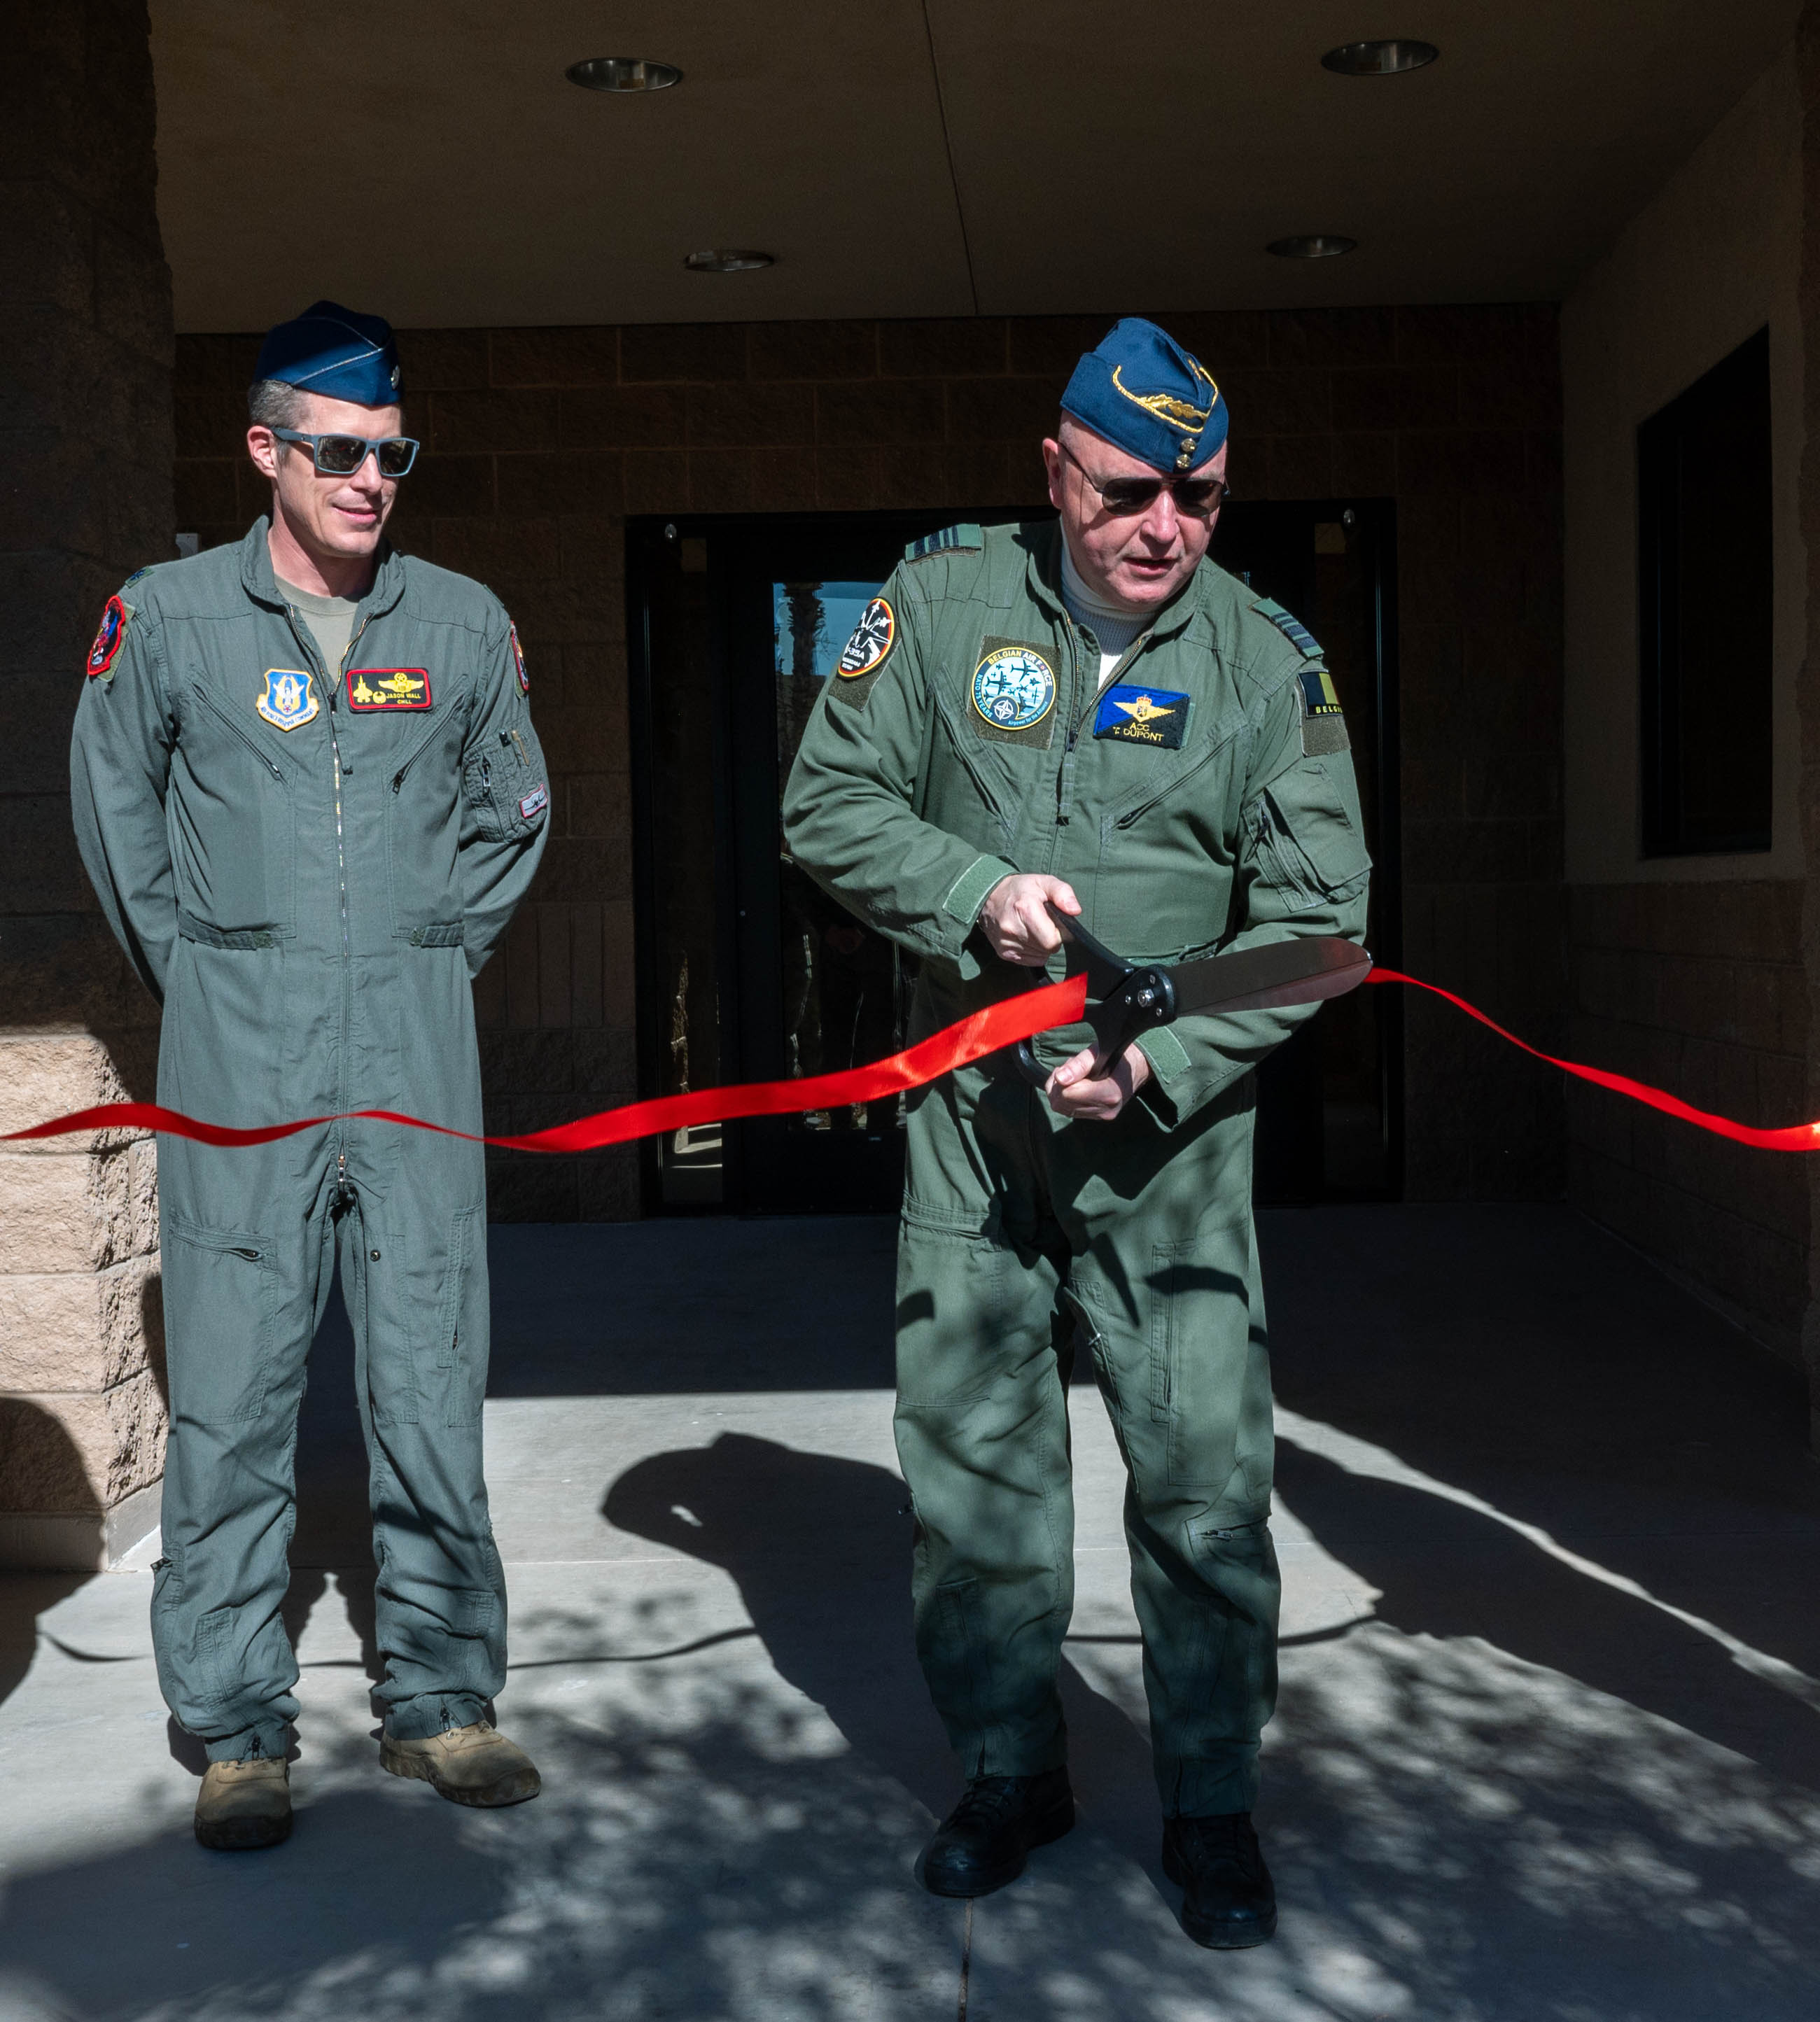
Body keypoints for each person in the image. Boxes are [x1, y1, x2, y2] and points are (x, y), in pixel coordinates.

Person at [782, 318, 1371, 1949]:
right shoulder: (942, 602)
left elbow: (1323, 929)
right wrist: (976, 893)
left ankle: (1210, 1801)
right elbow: (827, 803)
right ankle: (1007, 1771)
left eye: (1200, 495)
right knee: (971, 1469)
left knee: (1201, 1486)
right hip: (974, 1128)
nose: (1162, 525)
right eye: (1126, 490)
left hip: (1168, 1149)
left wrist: (1160, 1053)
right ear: (1054, 469)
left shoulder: (1265, 661)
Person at [70, 302, 552, 1851]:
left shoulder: (461, 624)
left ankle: (443, 1698)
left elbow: (513, 814)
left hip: (412, 1042)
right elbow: (116, 812)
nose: (368, 481)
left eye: (391, 455)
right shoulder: (166, 617)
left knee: (431, 1379)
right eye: (338, 454)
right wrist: (212, 971)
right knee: (231, 1397)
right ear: (264, 450)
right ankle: (236, 1728)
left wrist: (425, 949)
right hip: (240, 1048)